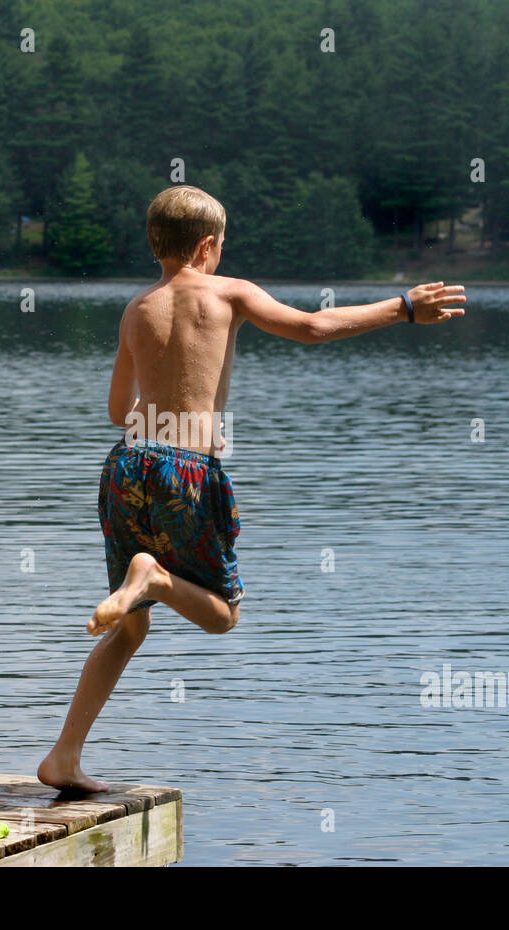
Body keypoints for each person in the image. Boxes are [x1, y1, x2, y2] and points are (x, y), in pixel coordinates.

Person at [38, 185, 466, 791]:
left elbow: (117, 410)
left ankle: (63, 755)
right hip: (186, 468)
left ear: (155, 244)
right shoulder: (228, 291)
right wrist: (401, 307)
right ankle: (154, 576)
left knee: (130, 626)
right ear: (209, 247)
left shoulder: (136, 308)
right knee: (222, 617)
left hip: (126, 467)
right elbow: (314, 326)